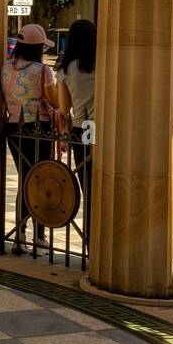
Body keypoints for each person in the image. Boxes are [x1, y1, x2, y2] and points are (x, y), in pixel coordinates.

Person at [0, 24, 57, 247]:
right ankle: (39, 235)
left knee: (26, 177)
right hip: (38, 128)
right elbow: (53, 99)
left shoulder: (5, 67)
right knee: (39, 178)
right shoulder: (43, 70)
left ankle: (20, 233)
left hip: (14, 127)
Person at [55, 18, 95, 246]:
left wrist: (63, 136)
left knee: (87, 186)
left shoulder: (66, 70)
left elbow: (63, 109)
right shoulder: (104, 64)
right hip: (103, 130)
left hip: (82, 129)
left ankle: (89, 237)